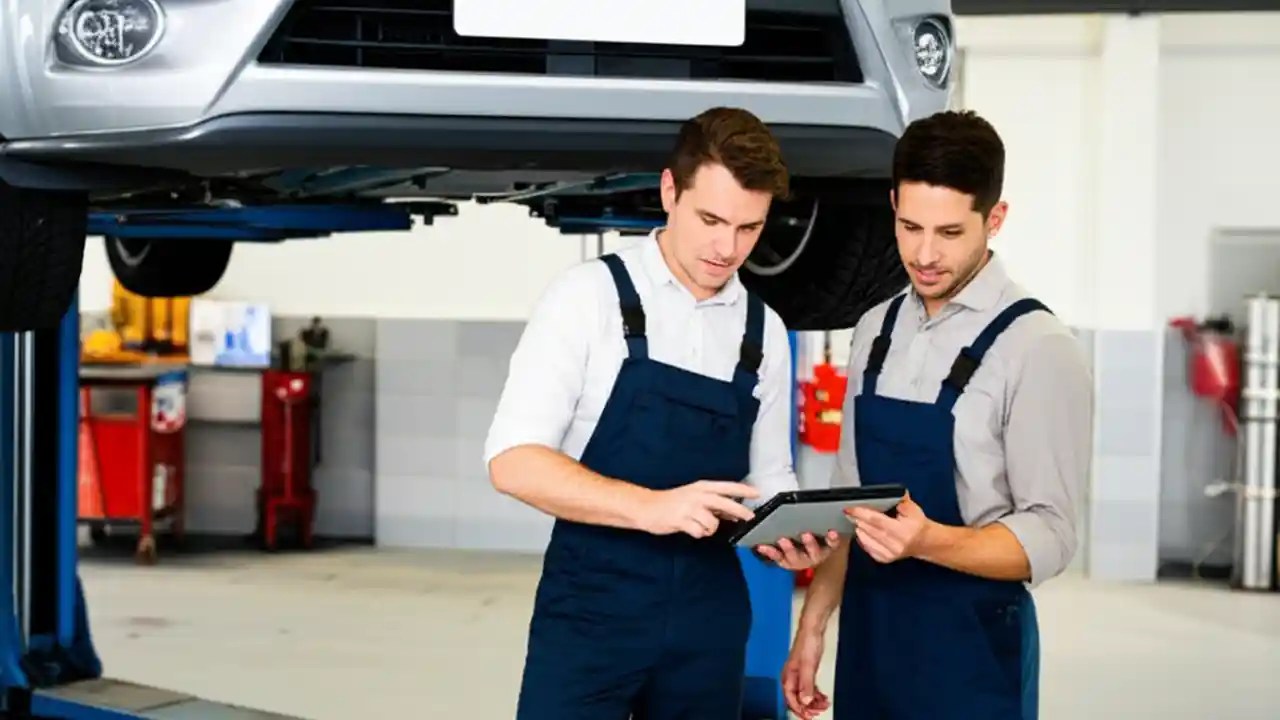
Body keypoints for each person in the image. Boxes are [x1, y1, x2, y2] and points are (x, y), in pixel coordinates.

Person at [484, 107, 841, 720]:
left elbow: (769, 482)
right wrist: (653, 507)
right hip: (591, 616)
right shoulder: (588, 298)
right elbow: (513, 462)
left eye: (748, 228)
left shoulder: (765, 330)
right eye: (710, 219)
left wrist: (789, 539)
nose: (726, 247)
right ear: (669, 191)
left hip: (710, 622)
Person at [782, 110, 1093, 720]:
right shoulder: (875, 329)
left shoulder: (1038, 347)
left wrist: (928, 541)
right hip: (871, 645)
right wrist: (814, 623)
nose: (924, 255)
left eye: (950, 233)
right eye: (909, 226)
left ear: (994, 219)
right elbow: (852, 501)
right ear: (892, 204)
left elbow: (1053, 535)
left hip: (972, 652)